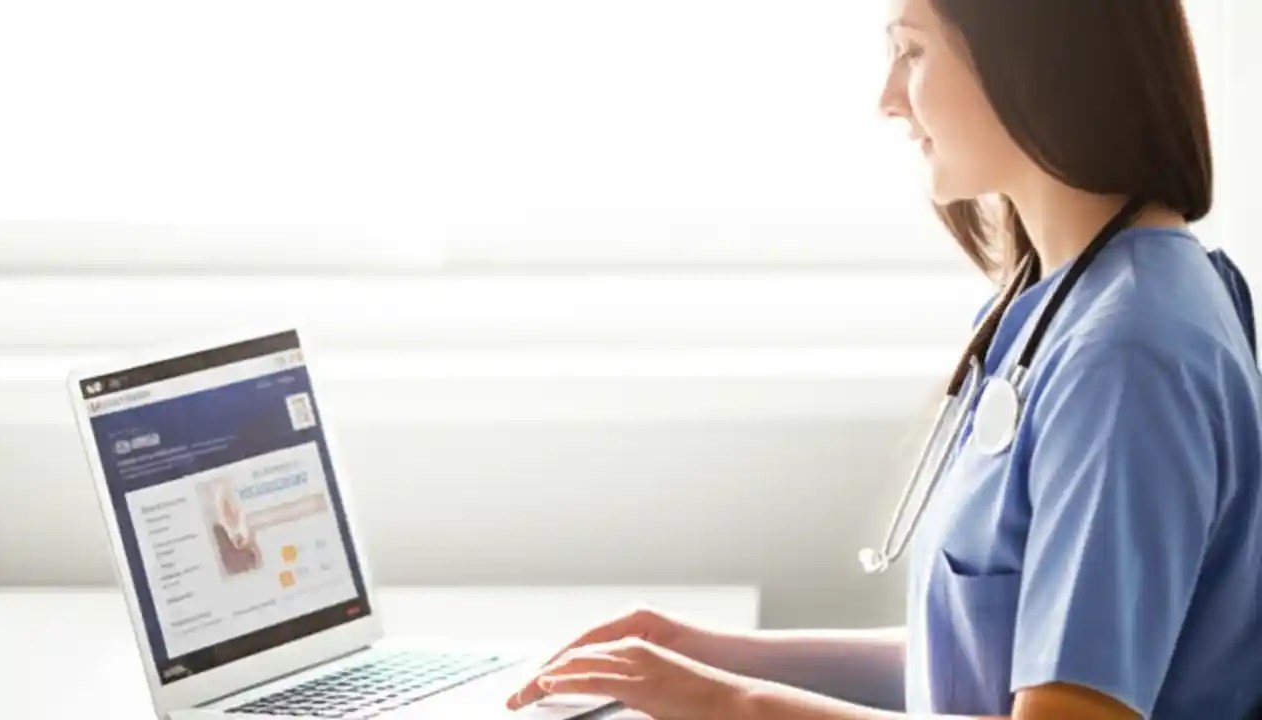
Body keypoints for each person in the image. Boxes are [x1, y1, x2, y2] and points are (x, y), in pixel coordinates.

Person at [505, 0, 1262, 718]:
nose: (887, 99)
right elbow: (985, 661)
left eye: (911, 51)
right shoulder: (1071, 304)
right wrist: (706, 653)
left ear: (1032, 49)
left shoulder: (1130, 356)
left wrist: (729, 704)